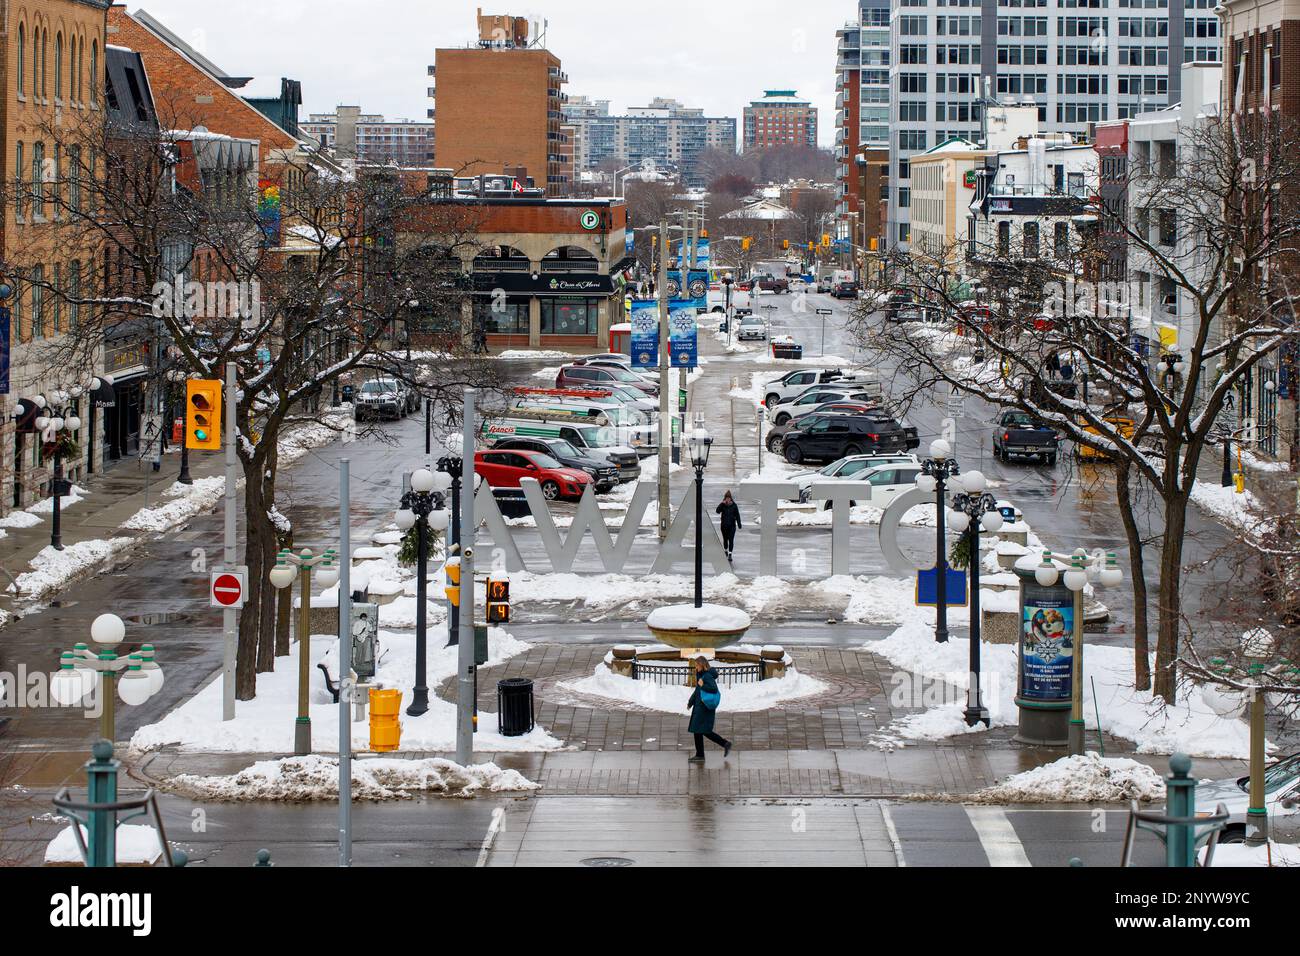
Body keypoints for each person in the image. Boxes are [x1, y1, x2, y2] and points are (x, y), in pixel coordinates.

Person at [686, 656, 731, 763]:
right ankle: (702, 753)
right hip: (700, 706)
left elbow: (713, 689)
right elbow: (697, 690)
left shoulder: (707, 676)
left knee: (703, 730)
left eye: (697, 665)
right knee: (700, 730)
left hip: (704, 707)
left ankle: (722, 745)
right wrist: (691, 702)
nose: (696, 668)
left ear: (702, 665)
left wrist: (702, 686)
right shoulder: (702, 675)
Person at [716, 491, 742, 563]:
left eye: (729, 498)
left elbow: (737, 515)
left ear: (731, 498)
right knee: (725, 540)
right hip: (724, 526)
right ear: (725, 498)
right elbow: (717, 511)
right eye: (726, 498)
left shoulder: (734, 505)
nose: (727, 499)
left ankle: (730, 554)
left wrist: (739, 524)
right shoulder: (723, 505)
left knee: (731, 540)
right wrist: (721, 504)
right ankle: (726, 550)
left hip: (732, 526)